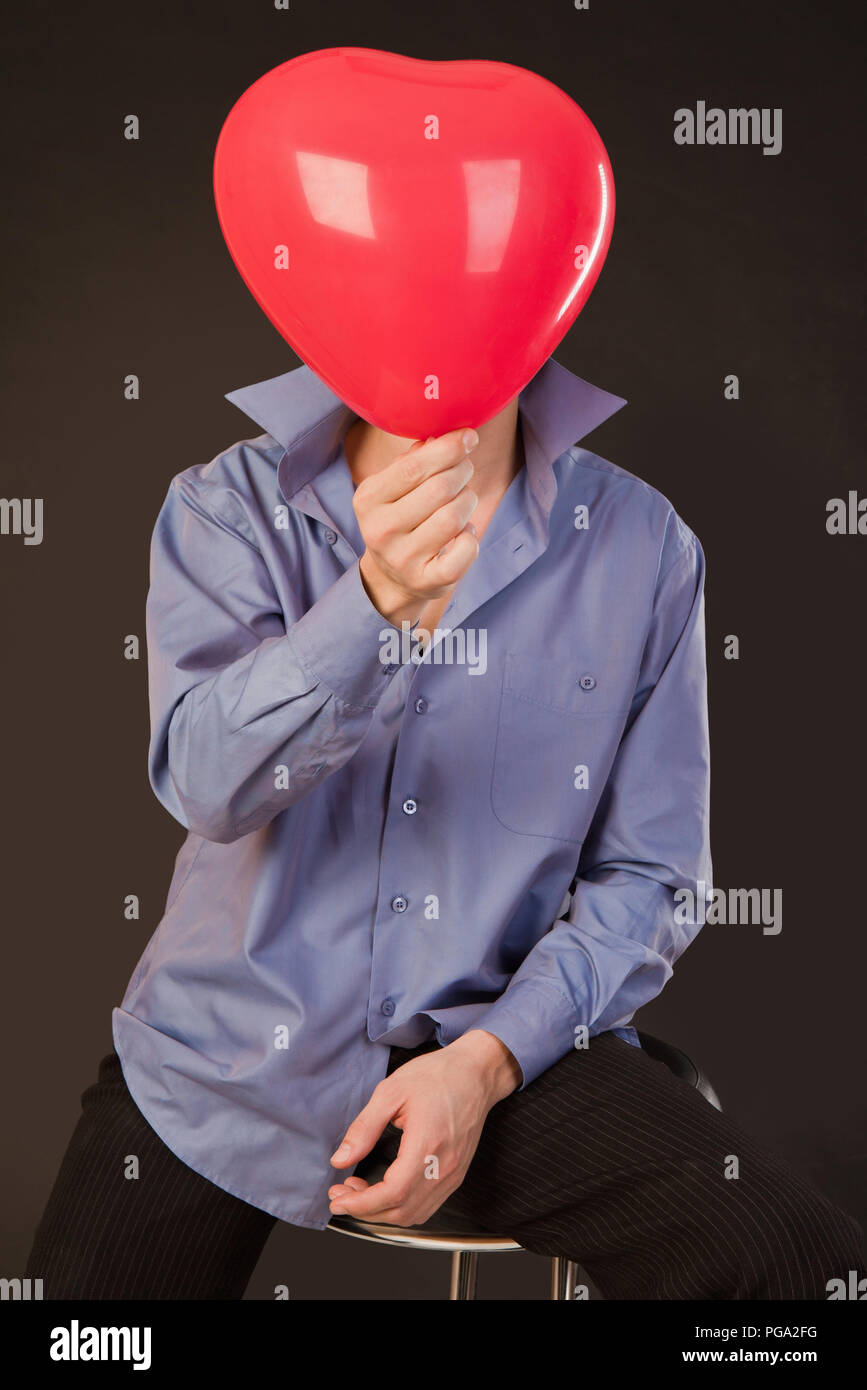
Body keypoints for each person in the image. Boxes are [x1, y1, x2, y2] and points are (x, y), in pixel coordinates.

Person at [25, 356, 864, 1299]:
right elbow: (207, 784)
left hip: (505, 1046)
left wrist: (483, 1066)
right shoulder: (227, 505)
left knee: (801, 1273)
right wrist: (372, 604)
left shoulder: (642, 544)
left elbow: (651, 875)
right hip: (228, 1052)